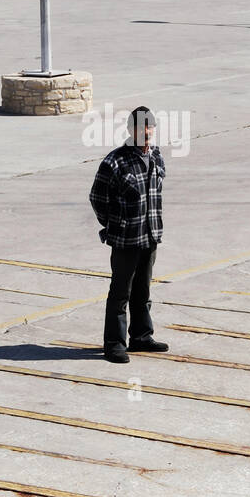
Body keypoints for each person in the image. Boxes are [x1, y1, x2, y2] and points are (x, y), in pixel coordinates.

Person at [89, 106, 168, 364]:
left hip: (150, 236)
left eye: (149, 126)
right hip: (126, 239)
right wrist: (116, 225)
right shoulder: (114, 161)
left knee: (143, 291)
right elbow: (98, 198)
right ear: (130, 130)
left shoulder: (156, 157)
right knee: (120, 292)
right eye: (140, 127)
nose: (145, 132)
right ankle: (114, 344)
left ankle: (141, 337)